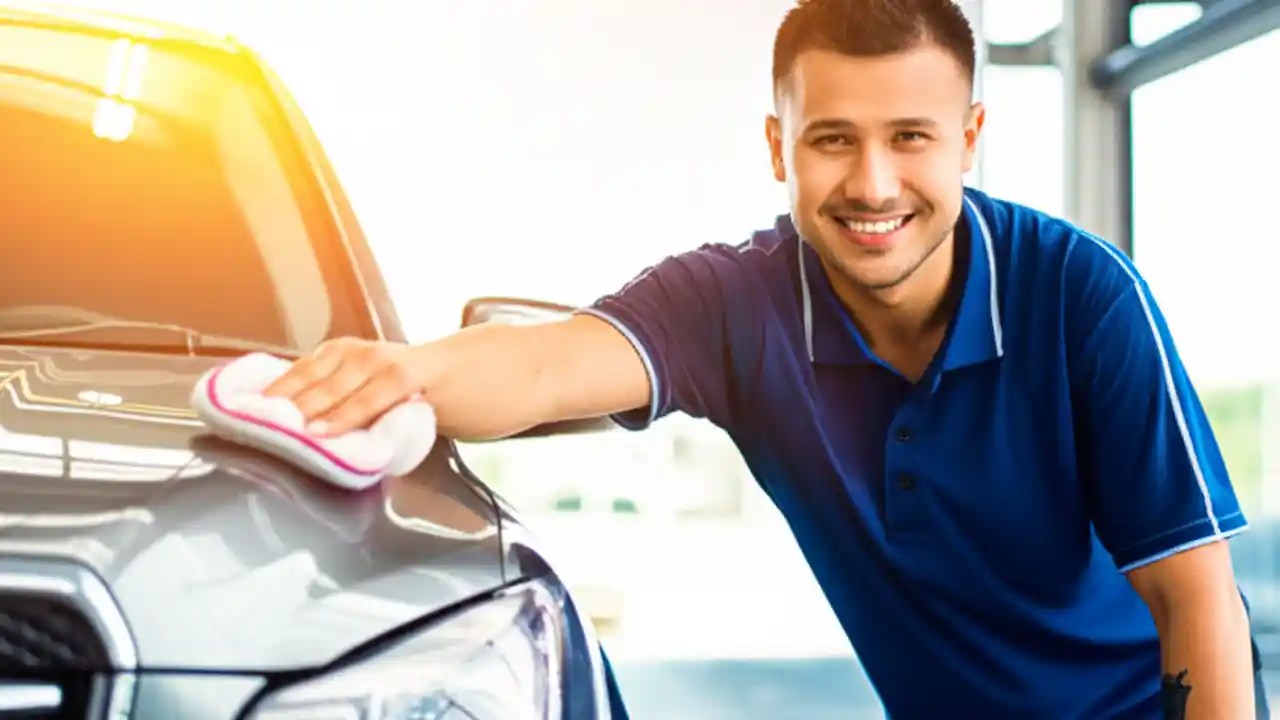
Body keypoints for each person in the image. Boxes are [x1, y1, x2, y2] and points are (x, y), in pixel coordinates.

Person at [262, 0, 1269, 716]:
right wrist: (406, 373)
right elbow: (538, 369)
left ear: (966, 138)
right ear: (777, 146)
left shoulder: (1082, 299)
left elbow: (1194, 600)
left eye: (909, 138)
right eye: (832, 140)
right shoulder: (735, 302)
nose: (873, 185)